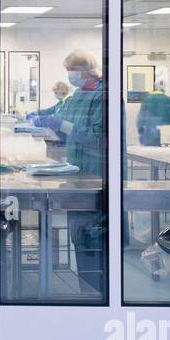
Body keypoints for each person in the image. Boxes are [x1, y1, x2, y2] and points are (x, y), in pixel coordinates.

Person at [36, 51, 106, 292]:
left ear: (88, 69)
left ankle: (100, 297)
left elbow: (99, 138)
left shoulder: (103, 96)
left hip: (98, 175)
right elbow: (63, 119)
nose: (70, 76)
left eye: (73, 70)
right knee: (80, 236)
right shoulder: (79, 95)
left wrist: (61, 125)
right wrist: (42, 123)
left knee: (96, 240)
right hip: (77, 174)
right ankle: (88, 293)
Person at [136, 78, 170, 146]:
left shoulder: (147, 100)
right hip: (167, 136)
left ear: (154, 88)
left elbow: (141, 117)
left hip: (150, 134)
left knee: (150, 155)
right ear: (164, 89)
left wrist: (140, 129)